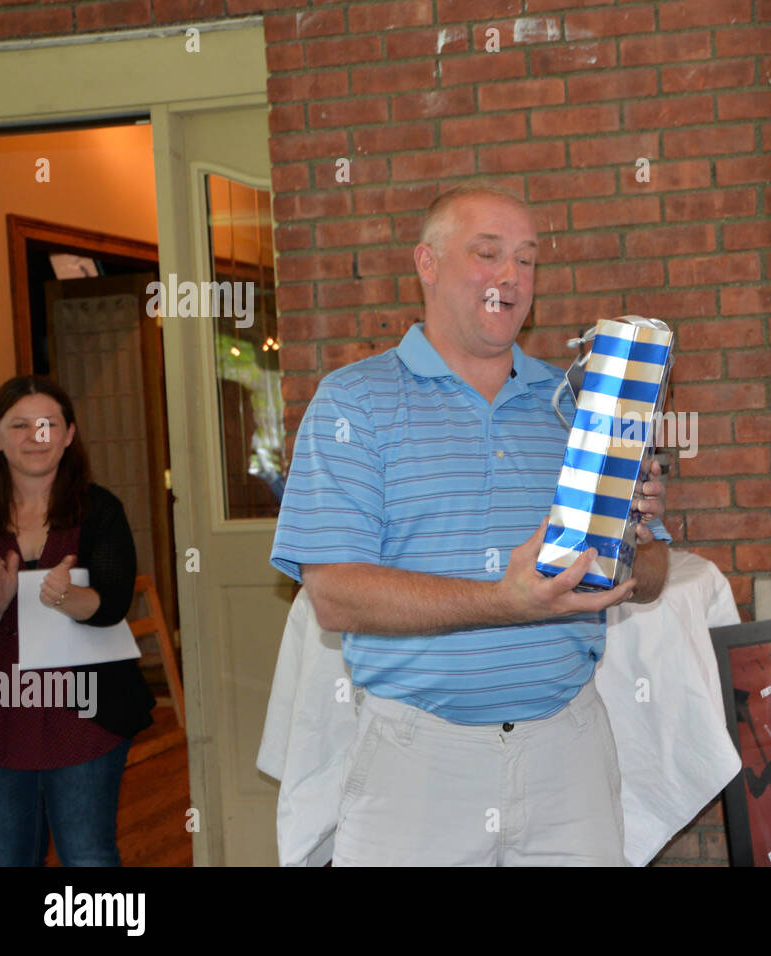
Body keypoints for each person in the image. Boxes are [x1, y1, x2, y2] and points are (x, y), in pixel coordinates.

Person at [270, 182, 670, 866]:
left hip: (567, 753)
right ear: (427, 263)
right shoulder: (354, 402)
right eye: (487, 254)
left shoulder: (580, 407)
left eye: (527, 259)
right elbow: (333, 595)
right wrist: (501, 602)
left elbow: (655, 575)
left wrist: (631, 540)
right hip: (416, 765)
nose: (510, 277)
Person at [0, 375, 154, 866]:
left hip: (85, 711)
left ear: (69, 434)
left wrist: (65, 596)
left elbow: (112, 605)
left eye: (48, 424)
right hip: (2, 716)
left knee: (87, 854)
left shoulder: (99, 508)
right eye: (19, 425)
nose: (35, 436)